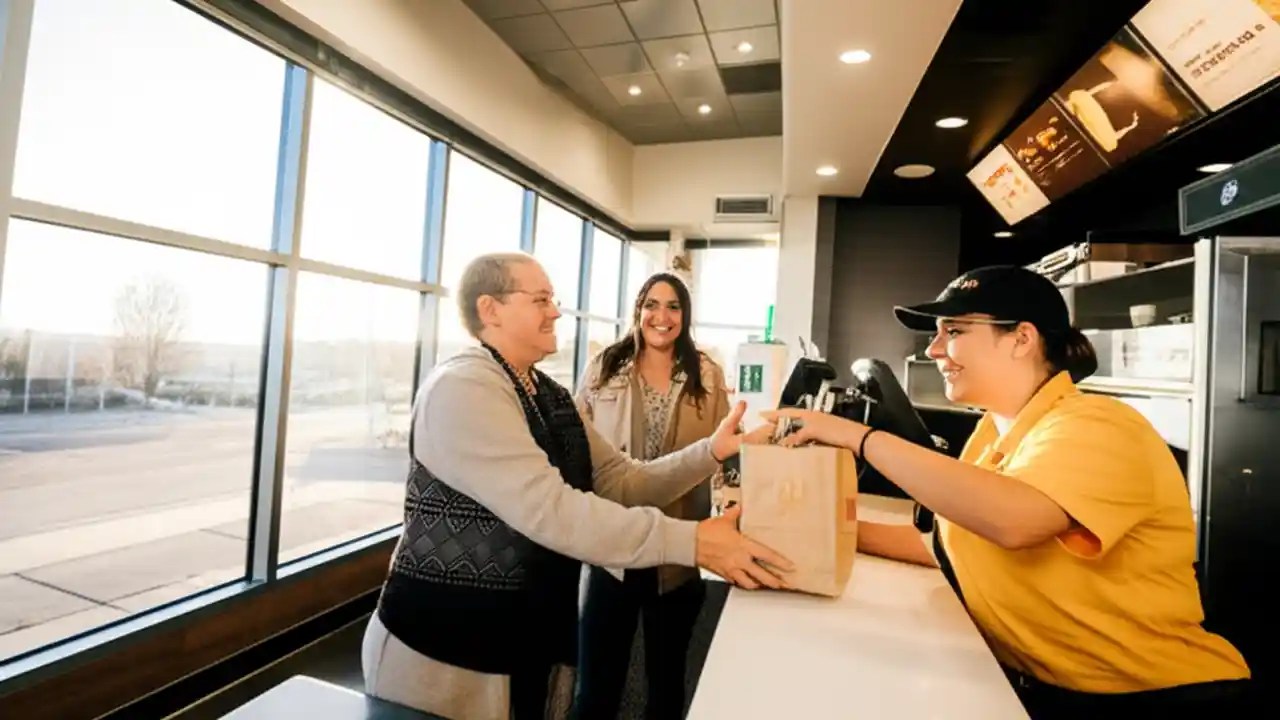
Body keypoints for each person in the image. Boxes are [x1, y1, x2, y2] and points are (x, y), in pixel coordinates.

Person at [764, 265, 1251, 718]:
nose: (934, 350)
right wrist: (806, 530)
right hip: (1049, 688)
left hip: (1156, 699)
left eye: (953, 332)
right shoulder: (995, 432)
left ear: (1021, 339)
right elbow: (949, 545)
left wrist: (858, 437)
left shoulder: (1098, 424)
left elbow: (1015, 522)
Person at [361, 252, 790, 720]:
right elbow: (552, 510)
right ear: (491, 309)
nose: (556, 311)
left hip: (523, 639)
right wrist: (695, 541)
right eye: (541, 299)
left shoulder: (549, 395)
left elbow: (625, 481)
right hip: (445, 650)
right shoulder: (464, 386)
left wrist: (710, 450)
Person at [573, 272, 728, 719]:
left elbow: (719, 452)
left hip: (677, 550)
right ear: (638, 311)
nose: (662, 316)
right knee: (597, 685)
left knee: (666, 683)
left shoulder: (708, 375)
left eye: (673, 306)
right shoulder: (605, 367)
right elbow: (579, 444)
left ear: (685, 315)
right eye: (652, 305)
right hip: (613, 548)